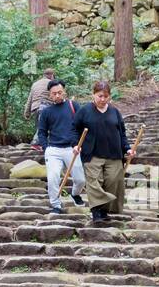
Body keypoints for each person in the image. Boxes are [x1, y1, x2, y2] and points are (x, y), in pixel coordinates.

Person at [72, 80, 134, 224]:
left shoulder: (115, 112)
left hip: (114, 154)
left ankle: (104, 210)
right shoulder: (84, 111)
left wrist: (128, 148)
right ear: (93, 95)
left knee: (114, 180)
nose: (102, 99)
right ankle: (96, 212)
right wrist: (75, 144)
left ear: (109, 96)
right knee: (95, 182)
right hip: (92, 153)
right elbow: (74, 129)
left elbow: (122, 134)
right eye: (99, 96)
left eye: (106, 96)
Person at [35, 79, 87, 214]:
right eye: (54, 93)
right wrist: (46, 148)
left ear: (64, 91)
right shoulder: (46, 112)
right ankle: (56, 205)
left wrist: (80, 145)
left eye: (59, 92)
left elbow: (83, 125)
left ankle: (75, 194)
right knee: (53, 178)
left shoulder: (73, 105)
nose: (57, 95)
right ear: (49, 95)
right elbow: (41, 132)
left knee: (80, 179)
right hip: (53, 150)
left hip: (73, 149)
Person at [26, 68, 55, 145]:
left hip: (35, 108)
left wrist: (27, 113)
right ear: (51, 75)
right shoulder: (52, 83)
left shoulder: (35, 84)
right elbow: (55, 96)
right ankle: (36, 141)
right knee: (44, 127)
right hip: (47, 106)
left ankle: (41, 144)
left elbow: (30, 99)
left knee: (39, 125)